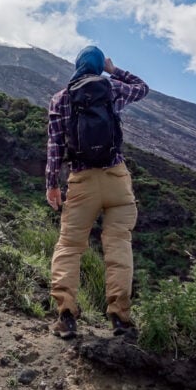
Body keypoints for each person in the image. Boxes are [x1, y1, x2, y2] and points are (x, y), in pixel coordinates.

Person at [45, 45, 149, 339]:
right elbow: (142, 88)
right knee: (119, 246)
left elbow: (54, 146)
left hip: (82, 182)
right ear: (99, 65)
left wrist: (52, 184)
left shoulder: (61, 99)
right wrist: (114, 70)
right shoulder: (111, 88)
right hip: (117, 179)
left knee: (69, 246)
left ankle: (66, 315)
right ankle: (120, 319)